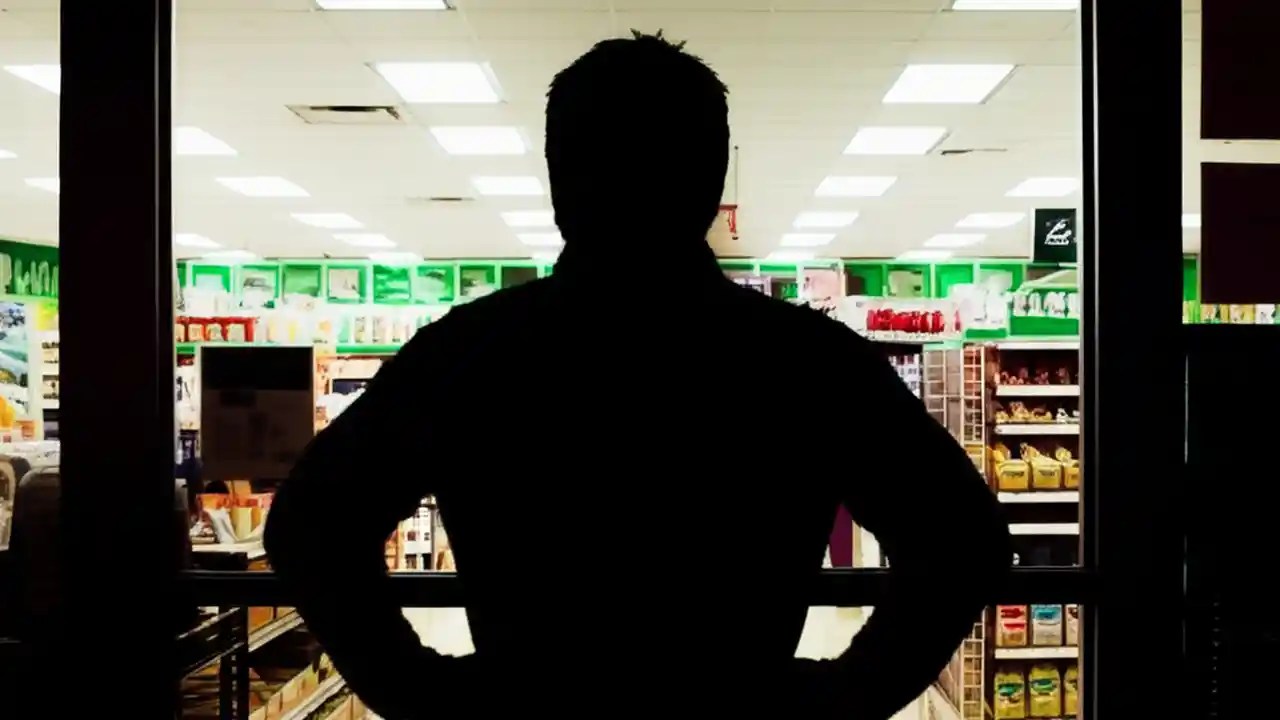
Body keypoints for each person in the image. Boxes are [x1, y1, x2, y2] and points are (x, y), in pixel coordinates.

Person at [265, 31, 1011, 719]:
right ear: (713, 181)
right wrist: (837, 701)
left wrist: (428, 696)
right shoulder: (810, 360)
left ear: (559, 180)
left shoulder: (468, 353)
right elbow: (963, 539)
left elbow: (310, 526)